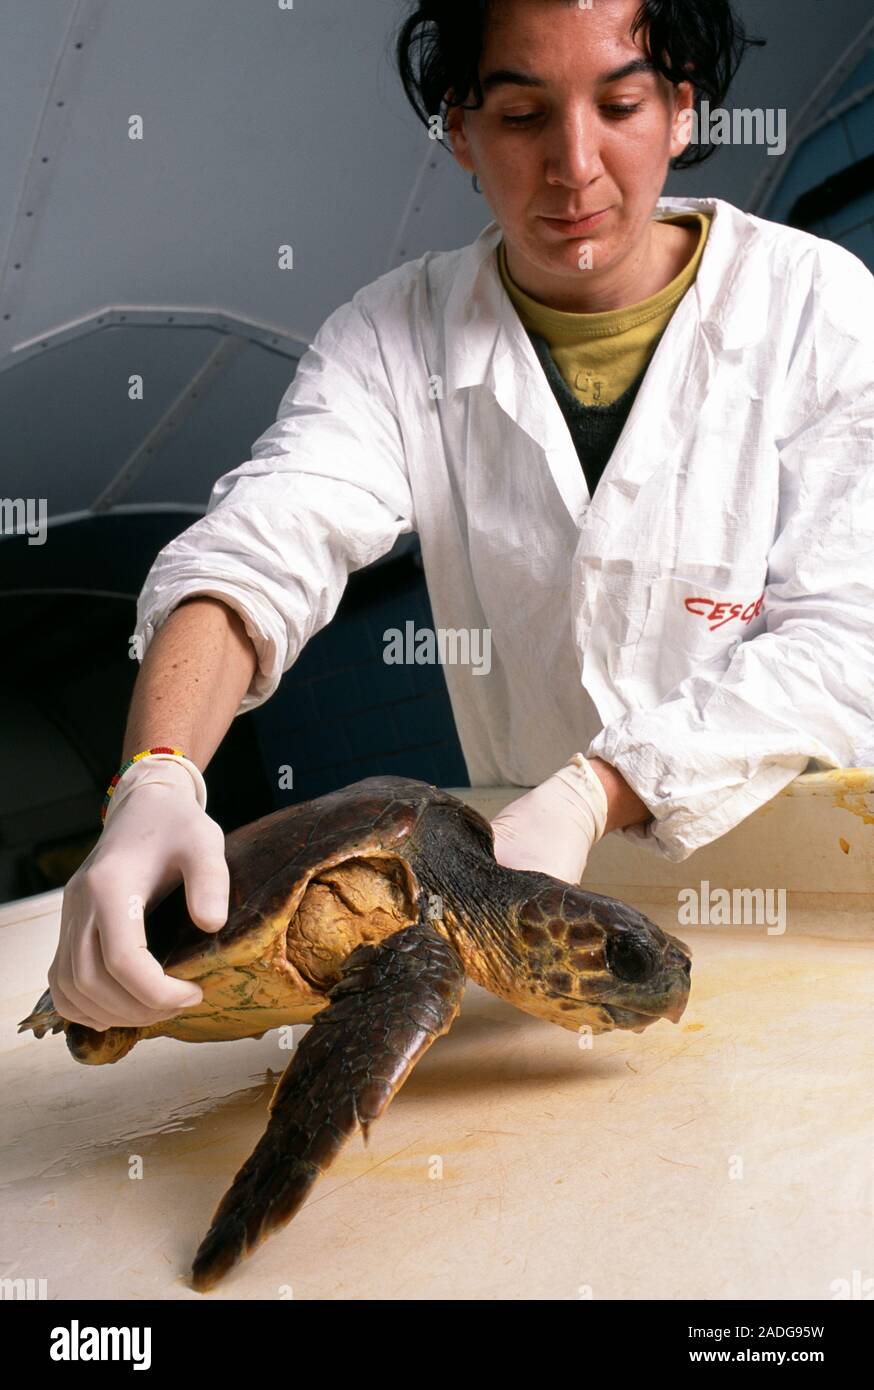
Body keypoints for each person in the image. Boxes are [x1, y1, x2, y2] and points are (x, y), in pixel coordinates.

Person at [50, 0, 874, 1031]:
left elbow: (849, 635)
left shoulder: (817, 306)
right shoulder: (391, 338)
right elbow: (262, 543)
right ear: (460, 133)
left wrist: (596, 789)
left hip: (809, 875)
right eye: (523, 116)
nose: (573, 164)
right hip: (525, 927)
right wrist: (156, 775)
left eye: (618, 103)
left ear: (679, 110)